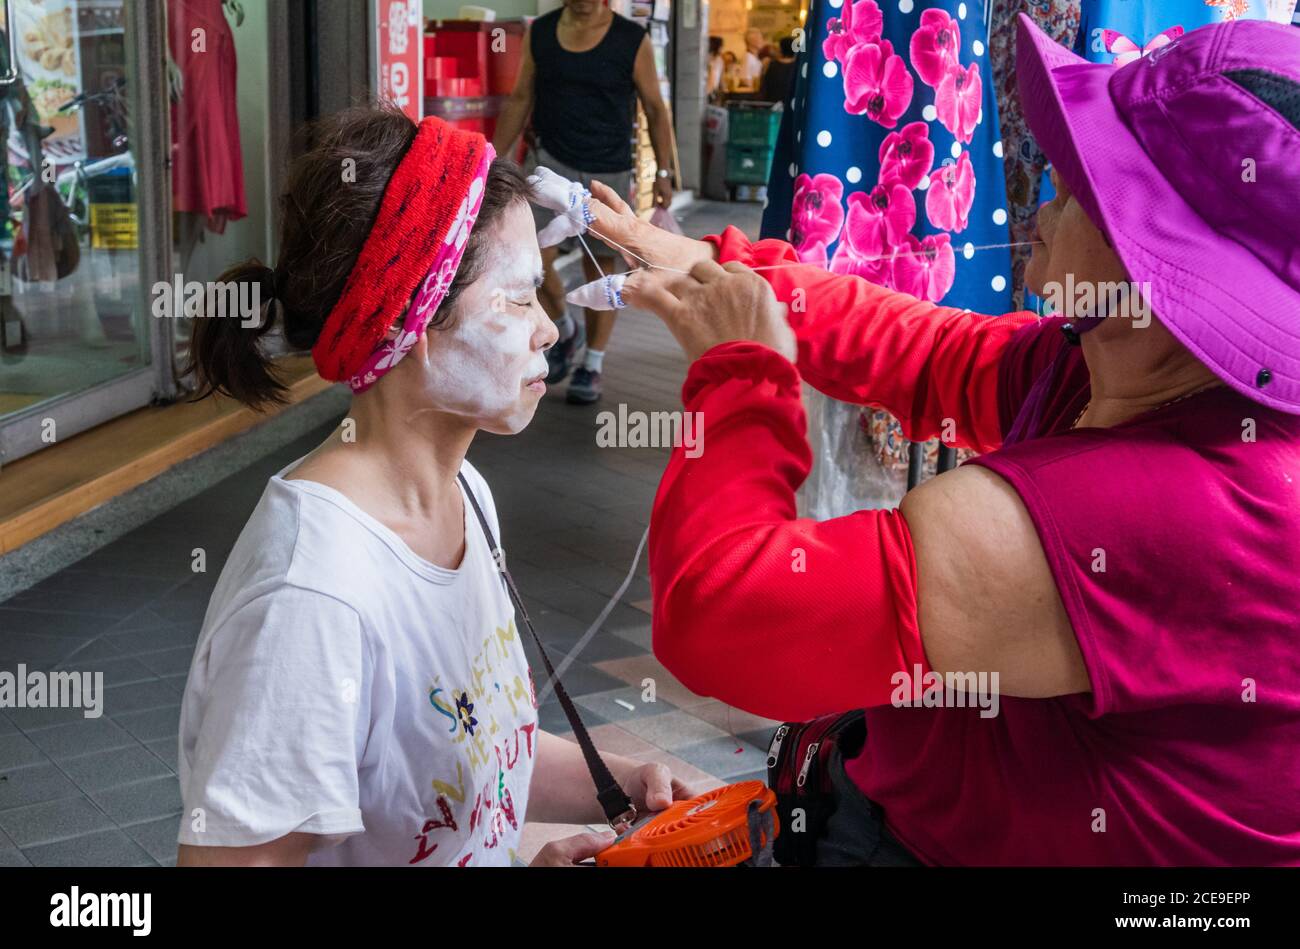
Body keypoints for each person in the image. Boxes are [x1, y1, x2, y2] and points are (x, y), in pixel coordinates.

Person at [580, 16, 1300, 865]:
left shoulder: (1163, 504)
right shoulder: (1124, 363)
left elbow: (725, 614)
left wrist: (742, 373)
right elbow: (929, 353)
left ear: (1154, 270)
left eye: (1075, 190)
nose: (1040, 205)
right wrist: (724, 266)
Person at [176, 107, 693, 866]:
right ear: (408, 321)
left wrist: (627, 785)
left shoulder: (465, 496)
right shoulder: (314, 599)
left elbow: (476, 743)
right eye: (518, 299)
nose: (550, 328)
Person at [493, 0, 676, 405]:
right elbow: (521, 97)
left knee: (603, 267)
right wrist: (489, 158)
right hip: (548, 162)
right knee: (526, 255)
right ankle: (562, 324)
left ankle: (591, 364)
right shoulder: (541, 32)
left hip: (606, 170)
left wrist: (664, 173)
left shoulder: (632, 39)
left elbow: (656, 110)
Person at [757, 35, 798, 107]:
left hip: (770, 106)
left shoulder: (770, 65)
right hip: (790, 106)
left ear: (781, 49)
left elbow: (763, 87)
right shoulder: (797, 67)